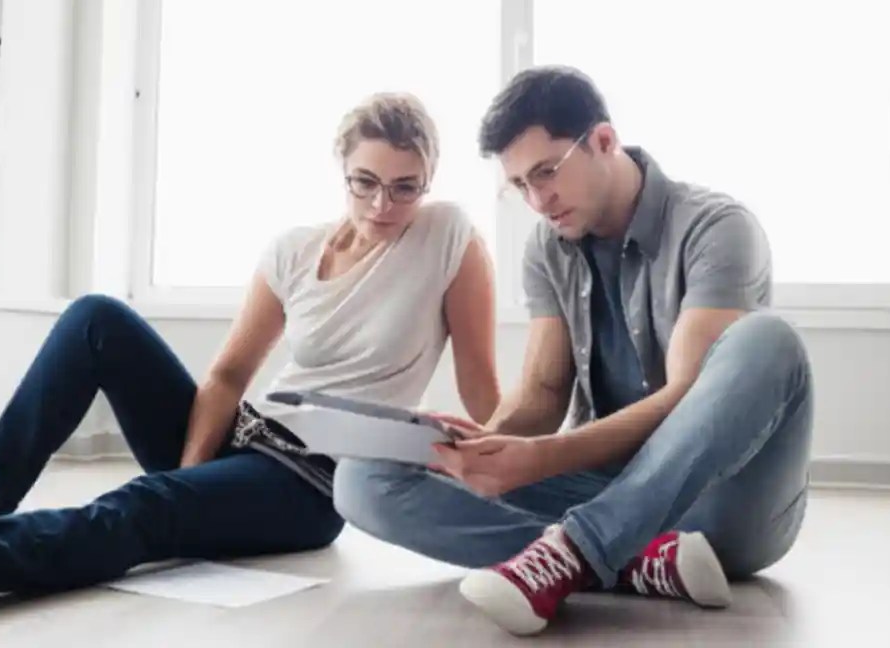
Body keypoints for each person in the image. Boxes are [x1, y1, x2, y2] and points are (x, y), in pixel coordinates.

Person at [0, 92, 501, 616]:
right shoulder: (295, 250)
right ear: (342, 171)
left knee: (145, 503)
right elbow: (228, 375)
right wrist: (192, 473)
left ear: (429, 182)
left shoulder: (447, 236)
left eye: (406, 187)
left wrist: (517, 461)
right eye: (365, 182)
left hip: (310, 484)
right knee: (96, 319)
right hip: (243, 438)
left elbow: (481, 385)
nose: (383, 204)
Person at [333, 66, 814, 636]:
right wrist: (483, 447)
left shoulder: (717, 228)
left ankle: (579, 550)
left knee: (768, 340)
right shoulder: (549, 246)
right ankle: (631, 564)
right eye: (520, 185)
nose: (538, 200)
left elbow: (684, 399)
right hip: (607, 489)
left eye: (546, 172)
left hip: (718, 503)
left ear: (603, 141)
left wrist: (543, 457)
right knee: (362, 478)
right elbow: (543, 390)